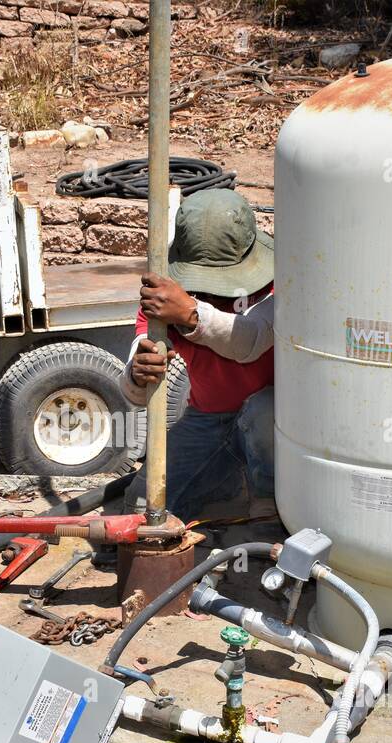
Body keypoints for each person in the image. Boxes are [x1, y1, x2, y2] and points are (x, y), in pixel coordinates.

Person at [120, 189, 275, 521]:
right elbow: (134, 389)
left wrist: (190, 315)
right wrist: (138, 371)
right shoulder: (166, 297)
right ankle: (229, 482)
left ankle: (270, 500)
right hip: (209, 421)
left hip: (275, 424)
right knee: (142, 512)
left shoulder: (278, 284)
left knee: (264, 411)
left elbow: (249, 341)